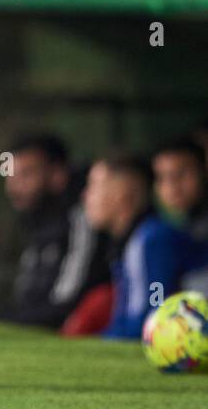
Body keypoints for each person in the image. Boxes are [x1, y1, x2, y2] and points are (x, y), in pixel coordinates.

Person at [75, 154, 208, 339]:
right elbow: (125, 318)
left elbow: (155, 315)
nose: (85, 195)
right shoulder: (130, 242)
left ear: (122, 193)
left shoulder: (153, 240)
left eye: (94, 186)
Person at [0, 133, 107, 329]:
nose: (13, 186)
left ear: (57, 175)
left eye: (26, 174)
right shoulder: (36, 222)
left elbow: (66, 306)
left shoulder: (82, 218)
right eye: (10, 175)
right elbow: (26, 299)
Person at [150, 137, 208, 291]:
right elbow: (157, 295)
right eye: (162, 177)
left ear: (203, 172)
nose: (172, 186)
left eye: (181, 174)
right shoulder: (157, 227)